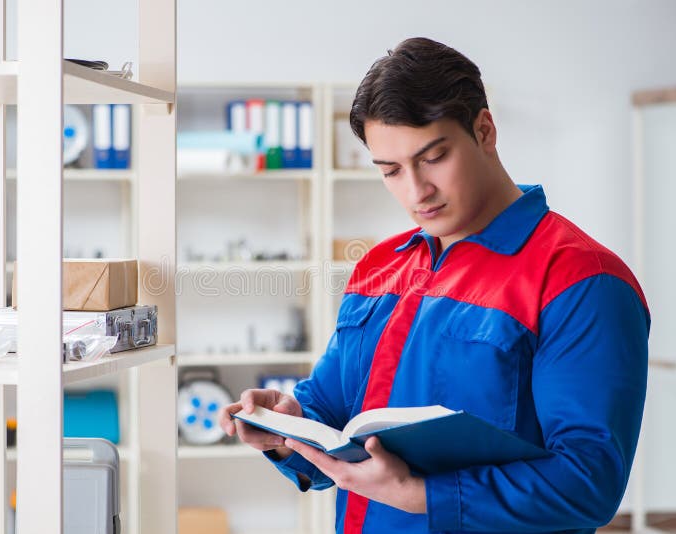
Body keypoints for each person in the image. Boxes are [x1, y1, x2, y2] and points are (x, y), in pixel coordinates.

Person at [219, 37, 649, 533]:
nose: (416, 191)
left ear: (484, 131)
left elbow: (588, 482)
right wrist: (288, 425)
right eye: (392, 171)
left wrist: (421, 495)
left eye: (434, 157)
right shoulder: (378, 267)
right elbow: (335, 411)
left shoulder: (581, 280)